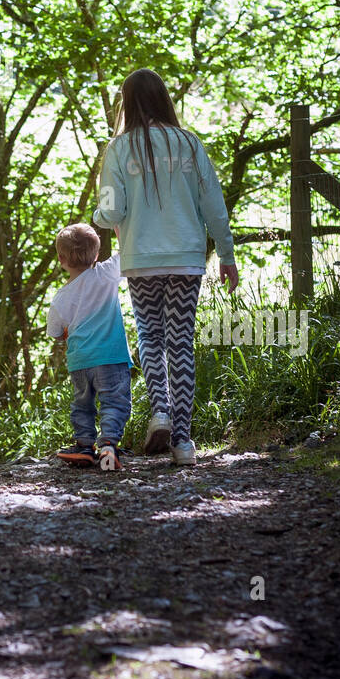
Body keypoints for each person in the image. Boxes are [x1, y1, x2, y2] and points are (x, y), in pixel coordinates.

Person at [93, 68, 238, 467]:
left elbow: (111, 210)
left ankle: (160, 410)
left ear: (126, 102)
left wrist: (98, 216)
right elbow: (214, 207)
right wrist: (226, 255)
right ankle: (184, 443)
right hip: (186, 259)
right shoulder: (191, 144)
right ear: (164, 100)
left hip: (141, 260)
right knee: (180, 341)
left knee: (151, 337)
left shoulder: (119, 149)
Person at [46, 222, 132, 472]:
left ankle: (84, 446)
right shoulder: (106, 273)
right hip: (111, 358)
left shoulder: (61, 297)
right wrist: (120, 229)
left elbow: (56, 333)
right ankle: (108, 444)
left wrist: (66, 332)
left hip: (80, 360)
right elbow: (127, 254)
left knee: (82, 404)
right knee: (114, 402)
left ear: (61, 259)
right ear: (96, 254)